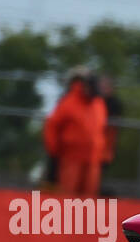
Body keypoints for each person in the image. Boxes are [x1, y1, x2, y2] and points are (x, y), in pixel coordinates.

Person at [43, 68, 106, 196]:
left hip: (93, 158)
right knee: (68, 196)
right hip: (72, 158)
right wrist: (54, 149)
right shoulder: (69, 102)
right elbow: (52, 126)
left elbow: (101, 130)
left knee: (89, 198)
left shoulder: (99, 104)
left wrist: (102, 151)